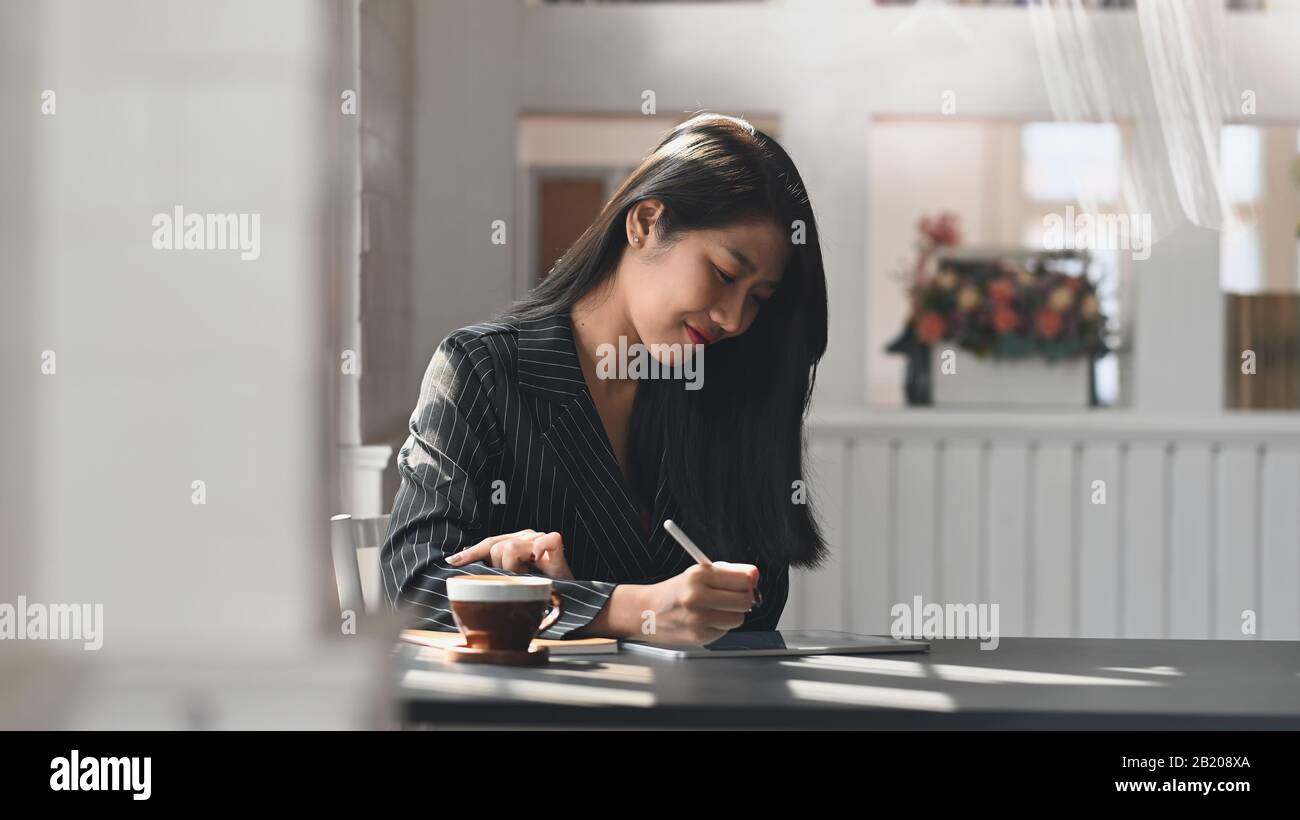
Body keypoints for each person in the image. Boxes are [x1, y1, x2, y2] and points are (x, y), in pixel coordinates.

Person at [381, 112, 829, 646]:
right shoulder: (483, 370)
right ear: (644, 224)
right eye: (726, 275)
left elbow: (753, 616)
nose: (734, 319)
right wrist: (621, 609)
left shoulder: (729, 388)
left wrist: (564, 597)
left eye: (758, 298)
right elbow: (414, 588)